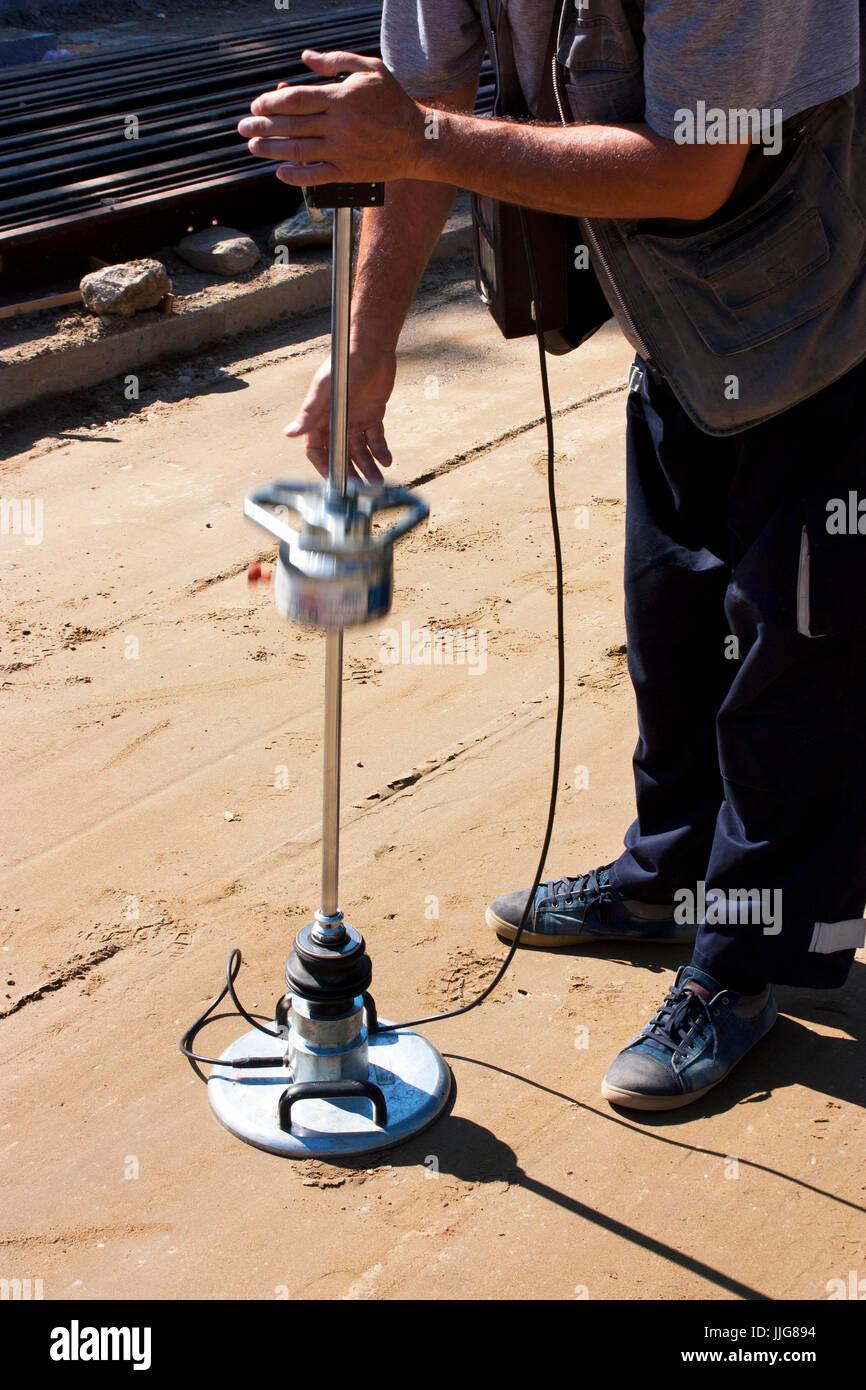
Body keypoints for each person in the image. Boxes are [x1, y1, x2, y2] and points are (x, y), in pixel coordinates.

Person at [238, 1, 866, 1111]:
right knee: (673, 612)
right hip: (679, 310)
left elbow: (689, 170)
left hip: (825, 303)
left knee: (793, 649)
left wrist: (420, 139)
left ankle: (744, 962)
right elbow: (423, 105)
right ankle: (669, 877)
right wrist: (367, 346)